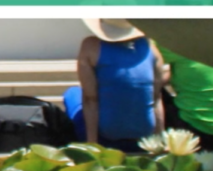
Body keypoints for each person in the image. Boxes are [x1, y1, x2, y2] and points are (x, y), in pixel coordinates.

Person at [62, 19, 166, 152]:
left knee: (72, 93)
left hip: (107, 133)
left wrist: (92, 144)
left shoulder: (90, 46)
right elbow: (156, 97)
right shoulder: (150, 47)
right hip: (144, 133)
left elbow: (90, 99)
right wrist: (160, 140)